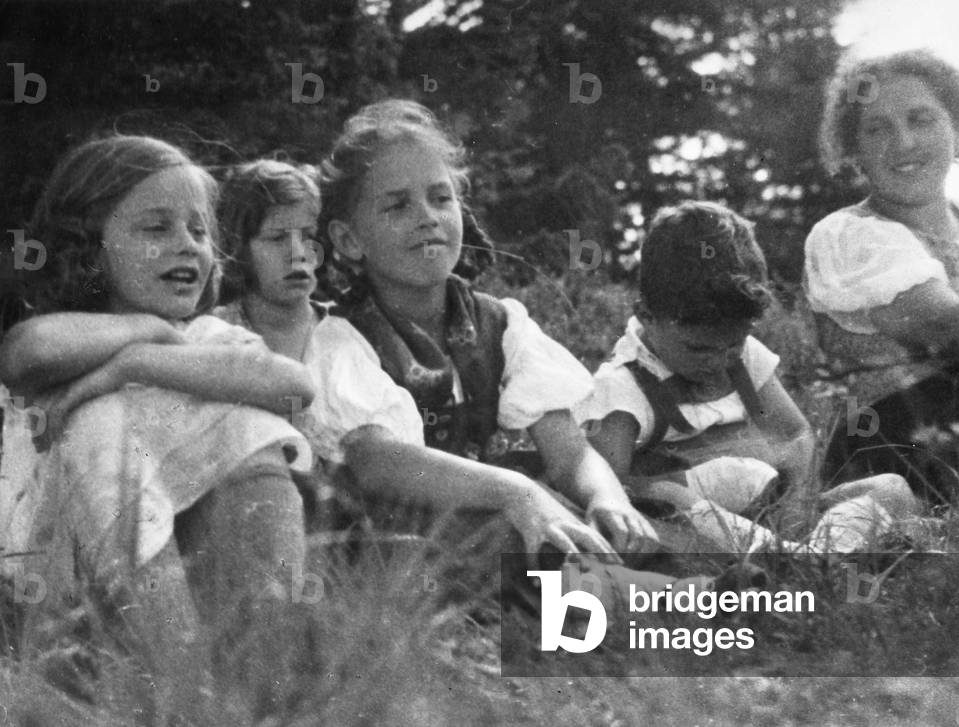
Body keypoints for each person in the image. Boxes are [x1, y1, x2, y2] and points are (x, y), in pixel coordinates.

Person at [0, 135, 315, 723]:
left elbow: (294, 386)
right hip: (63, 591)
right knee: (99, 421)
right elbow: (27, 352)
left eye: (199, 231)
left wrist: (139, 361)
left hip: (204, 580)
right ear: (90, 247)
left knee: (251, 417)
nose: (187, 246)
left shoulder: (204, 340)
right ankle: (185, 694)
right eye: (157, 229)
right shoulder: (71, 334)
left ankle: (267, 669)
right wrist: (145, 332)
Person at [212, 157, 623, 561]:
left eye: (307, 238)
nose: (297, 253)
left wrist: (597, 493)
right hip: (326, 508)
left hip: (436, 494)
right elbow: (369, 460)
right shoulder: (243, 335)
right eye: (276, 238)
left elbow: (566, 450)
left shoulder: (351, 324)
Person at [311, 99, 661, 560]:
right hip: (396, 528)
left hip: (485, 500)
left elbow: (568, 452)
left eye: (441, 198)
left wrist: (605, 496)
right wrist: (516, 490)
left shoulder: (498, 323)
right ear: (348, 240)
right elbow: (376, 461)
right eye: (397, 206)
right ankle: (659, 593)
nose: (427, 216)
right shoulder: (340, 336)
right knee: (512, 536)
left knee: (607, 508)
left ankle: (702, 574)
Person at [580, 201, 918, 554]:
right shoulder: (623, 387)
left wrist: (797, 501)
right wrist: (693, 483)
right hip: (697, 525)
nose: (718, 361)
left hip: (770, 510)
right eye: (699, 349)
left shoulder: (743, 358)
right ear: (646, 315)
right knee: (669, 497)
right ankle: (801, 558)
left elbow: (795, 434)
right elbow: (609, 490)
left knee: (891, 488)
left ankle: (813, 556)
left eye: (734, 344)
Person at [805, 49, 959, 513]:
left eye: (921, 119)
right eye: (877, 128)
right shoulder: (849, 233)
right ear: (854, 150)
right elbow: (942, 325)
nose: (902, 142)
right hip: (901, 445)